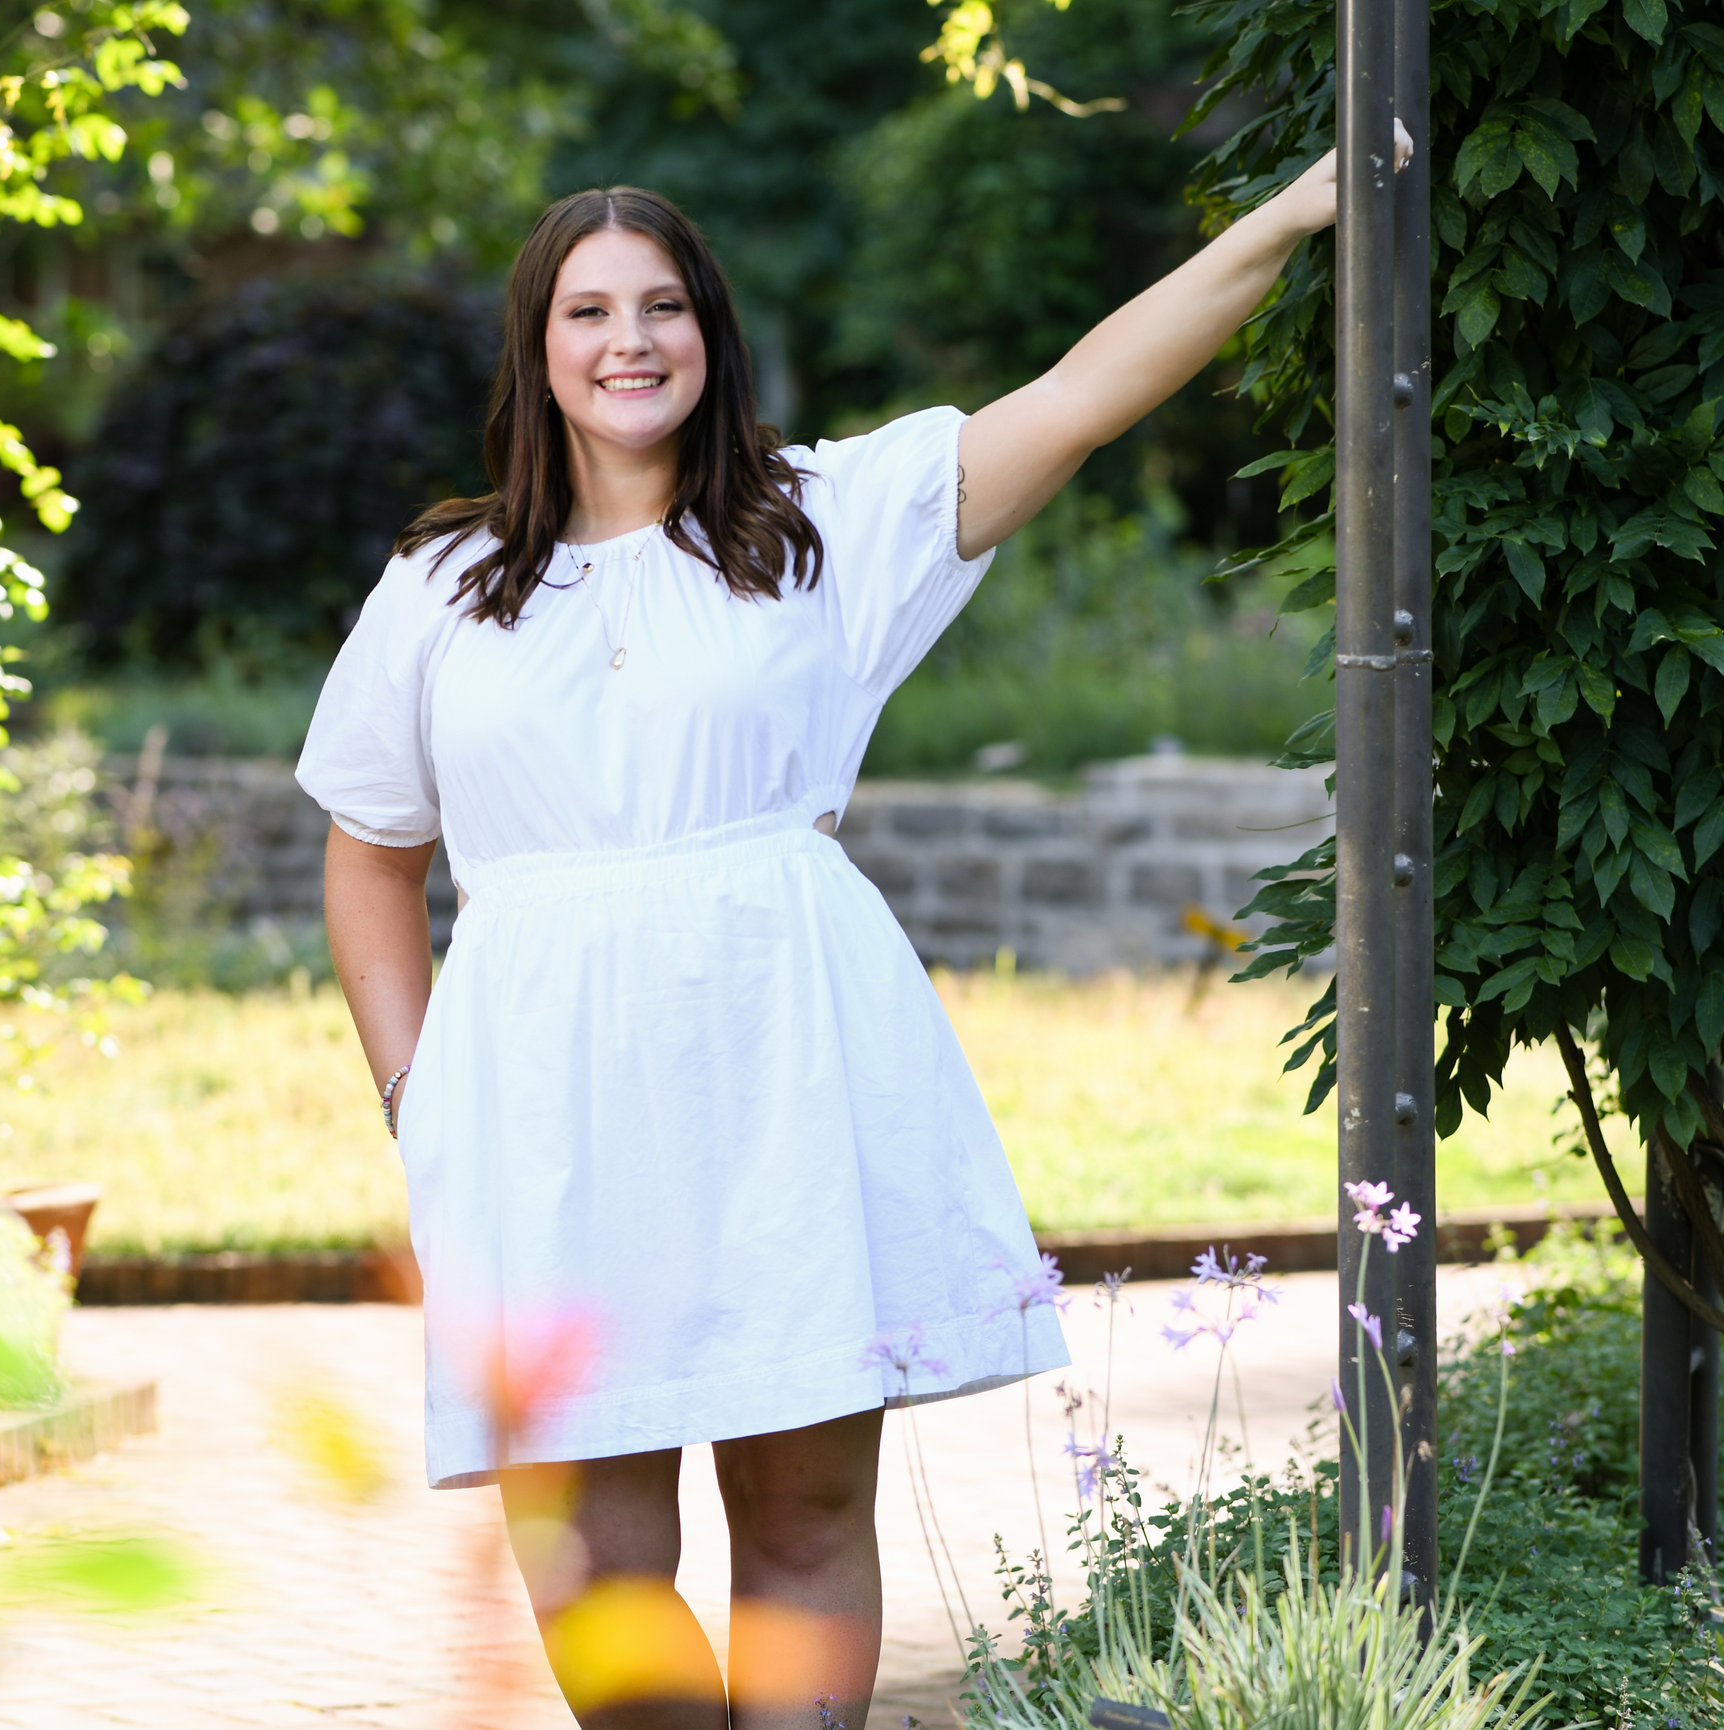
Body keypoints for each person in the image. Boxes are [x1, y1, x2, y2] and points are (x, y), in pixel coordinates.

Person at [302, 141, 1384, 1728]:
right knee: (591, 1554)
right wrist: (417, 1097)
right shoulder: (445, 584)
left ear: (711, 334)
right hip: (540, 1108)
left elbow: (1082, 394)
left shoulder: (818, 523)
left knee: (803, 1513)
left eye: (665, 305)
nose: (631, 340)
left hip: (781, 1069)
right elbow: (369, 855)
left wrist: (1294, 215)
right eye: (590, 309)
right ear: (536, 346)